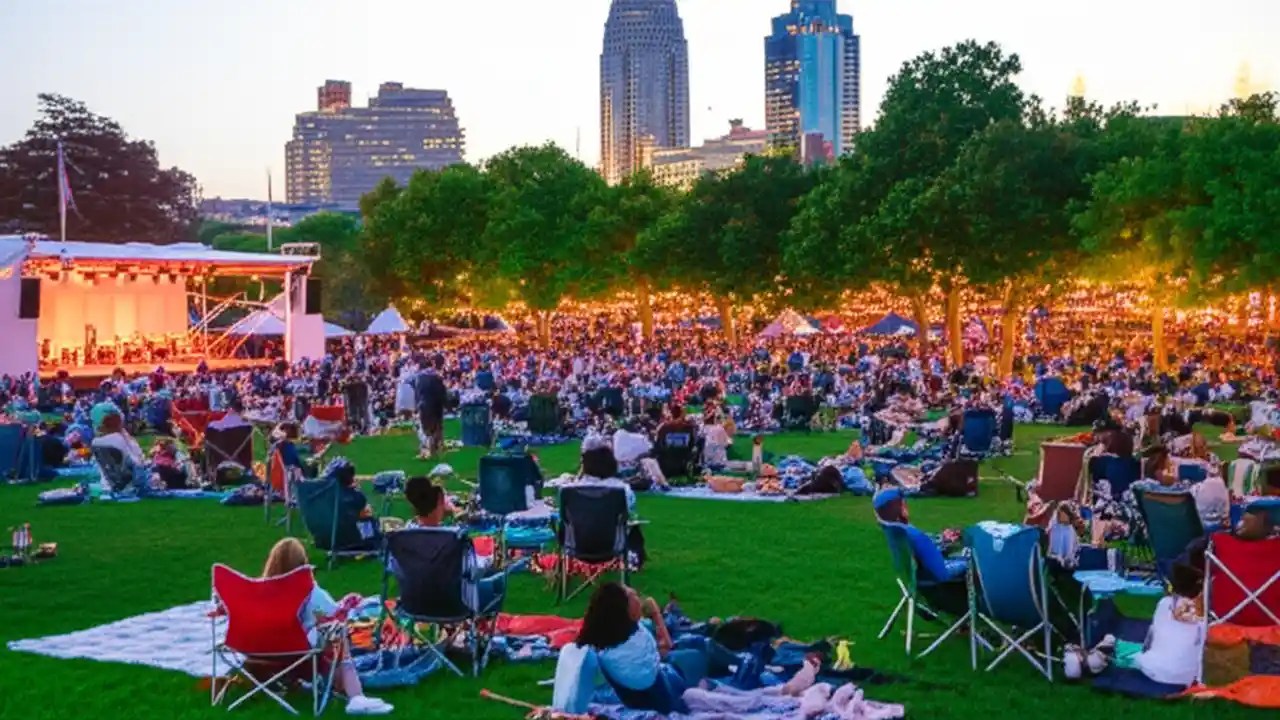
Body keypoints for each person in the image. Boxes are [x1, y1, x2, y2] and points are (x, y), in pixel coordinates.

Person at [259, 538, 393, 716]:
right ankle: (355, 695)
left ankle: (295, 682)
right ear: (303, 565)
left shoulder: (259, 592)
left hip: (261, 652)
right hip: (298, 655)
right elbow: (332, 612)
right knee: (335, 628)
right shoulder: (309, 591)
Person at [576, 583, 704, 715]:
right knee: (699, 648)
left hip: (667, 676)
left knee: (694, 644)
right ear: (625, 610)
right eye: (634, 596)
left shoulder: (616, 644)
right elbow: (666, 648)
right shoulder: (634, 654)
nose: (639, 598)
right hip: (673, 686)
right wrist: (656, 614)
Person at [414, 356, 448, 459]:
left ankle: (428, 449)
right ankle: (435, 450)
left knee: (427, 429)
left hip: (423, 404)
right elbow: (442, 393)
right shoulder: (436, 376)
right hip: (435, 405)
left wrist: (417, 404)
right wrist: (446, 404)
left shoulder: (419, 378)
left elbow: (417, 393)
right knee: (436, 428)